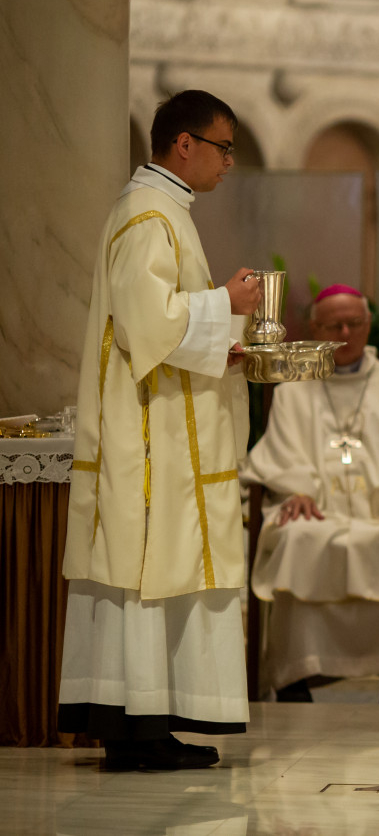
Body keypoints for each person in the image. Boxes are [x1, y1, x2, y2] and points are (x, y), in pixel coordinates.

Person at [59, 90, 262, 770]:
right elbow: (148, 323)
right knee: (145, 571)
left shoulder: (163, 208)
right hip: (147, 438)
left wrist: (222, 343)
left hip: (162, 427)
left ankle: (145, 725)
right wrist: (225, 302)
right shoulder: (148, 214)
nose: (228, 162)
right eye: (223, 147)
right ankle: (135, 728)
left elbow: (160, 321)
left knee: (157, 572)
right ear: (185, 144)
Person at [242, 285, 379, 704]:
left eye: (354, 323)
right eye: (334, 325)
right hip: (316, 512)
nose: (345, 333)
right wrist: (296, 489)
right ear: (314, 328)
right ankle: (295, 676)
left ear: (368, 325)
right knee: (297, 537)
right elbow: (278, 453)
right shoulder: (292, 389)